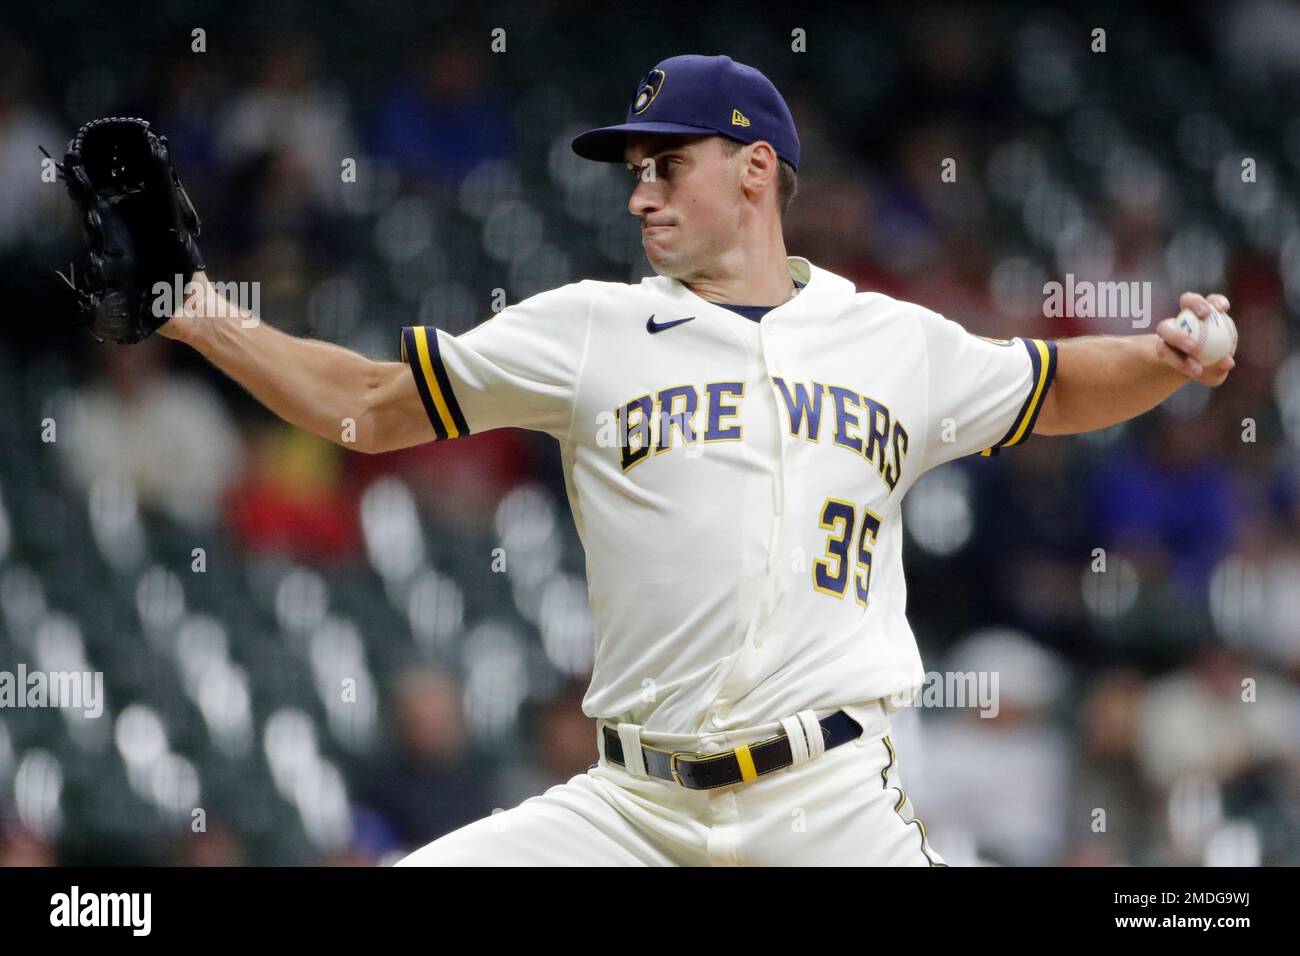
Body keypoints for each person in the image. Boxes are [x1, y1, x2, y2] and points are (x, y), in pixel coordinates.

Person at [159, 54, 1236, 866]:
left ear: (757, 169)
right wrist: (194, 309)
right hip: (630, 809)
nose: (640, 195)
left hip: (829, 809)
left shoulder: (894, 340)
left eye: (667, 164)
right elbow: (368, 404)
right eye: (636, 171)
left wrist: (1164, 356)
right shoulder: (591, 326)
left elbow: (1054, 385)